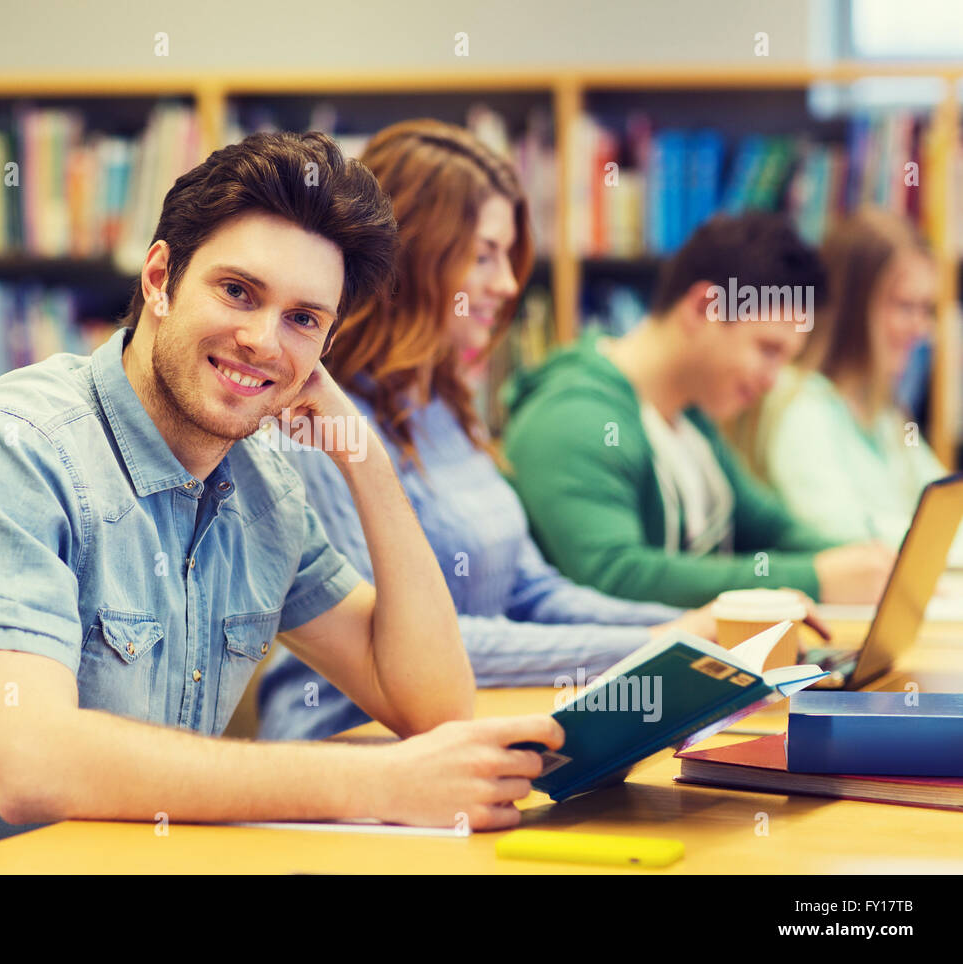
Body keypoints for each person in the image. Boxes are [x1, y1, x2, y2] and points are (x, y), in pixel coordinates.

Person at [0, 131, 566, 874]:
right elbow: (33, 764)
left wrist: (364, 456)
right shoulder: (11, 449)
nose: (265, 340)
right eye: (238, 291)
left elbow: (431, 706)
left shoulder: (263, 486)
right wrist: (377, 785)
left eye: (303, 319)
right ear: (159, 279)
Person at [257, 120, 754, 745]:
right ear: (413, 259)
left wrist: (688, 627)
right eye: (484, 255)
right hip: (349, 742)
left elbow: (532, 590)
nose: (509, 284)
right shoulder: (318, 421)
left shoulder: (444, 405)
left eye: (508, 256)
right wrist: (650, 644)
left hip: (463, 722)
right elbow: (404, 641)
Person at [501, 212, 896, 609]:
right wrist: (814, 580)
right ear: (704, 307)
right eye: (767, 350)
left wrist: (874, 567)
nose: (772, 380)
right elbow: (614, 577)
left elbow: (768, 526)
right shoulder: (574, 417)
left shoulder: (687, 413)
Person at [746, 209, 955, 551]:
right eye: (905, 306)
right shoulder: (799, 404)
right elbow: (838, 530)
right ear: (852, 308)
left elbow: (945, 501)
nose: (922, 329)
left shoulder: (883, 411)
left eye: (925, 309)